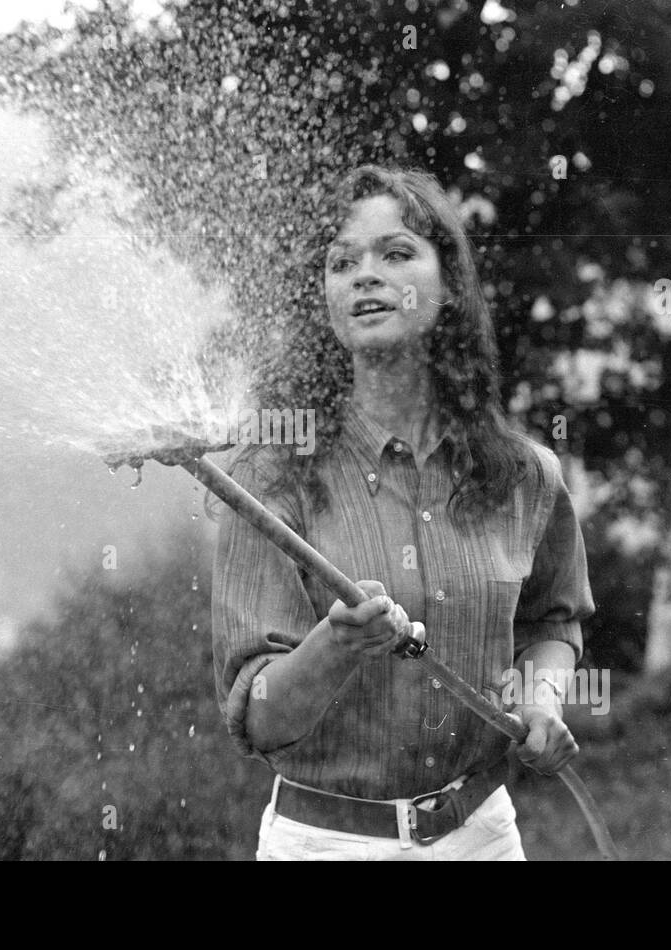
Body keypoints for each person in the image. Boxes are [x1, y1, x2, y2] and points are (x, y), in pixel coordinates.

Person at [210, 165, 595, 860]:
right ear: (322, 298)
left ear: (447, 286)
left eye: (395, 254)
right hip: (327, 846)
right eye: (341, 262)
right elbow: (259, 720)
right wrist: (337, 645)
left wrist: (542, 698)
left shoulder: (524, 474)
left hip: (483, 838)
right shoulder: (265, 476)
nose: (365, 275)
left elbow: (550, 618)